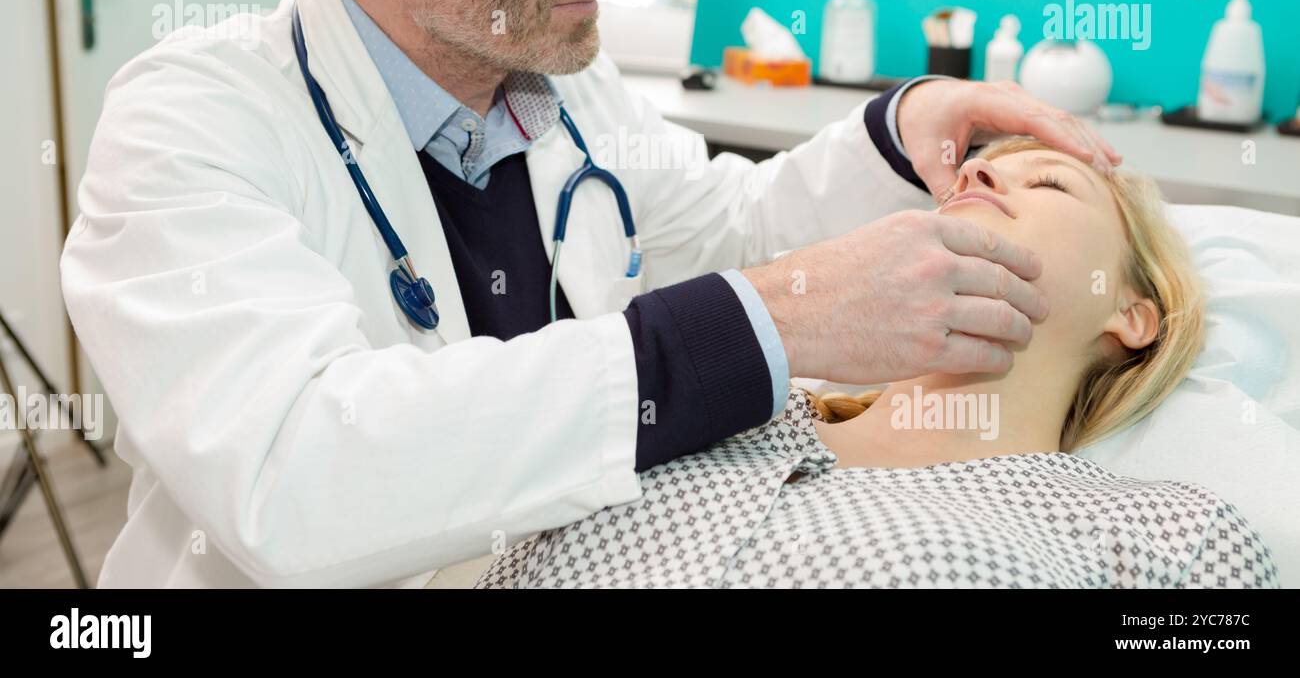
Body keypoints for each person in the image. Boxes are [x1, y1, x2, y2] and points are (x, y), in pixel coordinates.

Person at [59, 0, 1120, 588]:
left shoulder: (555, 78)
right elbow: (298, 473)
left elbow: (720, 230)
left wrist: (899, 124)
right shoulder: (193, 122)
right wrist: (777, 318)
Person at [476, 141, 1280, 588]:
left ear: (1131, 315)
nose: (978, 172)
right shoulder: (709, 409)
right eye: (977, 167)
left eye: (1051, 184)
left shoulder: (1166, 539)